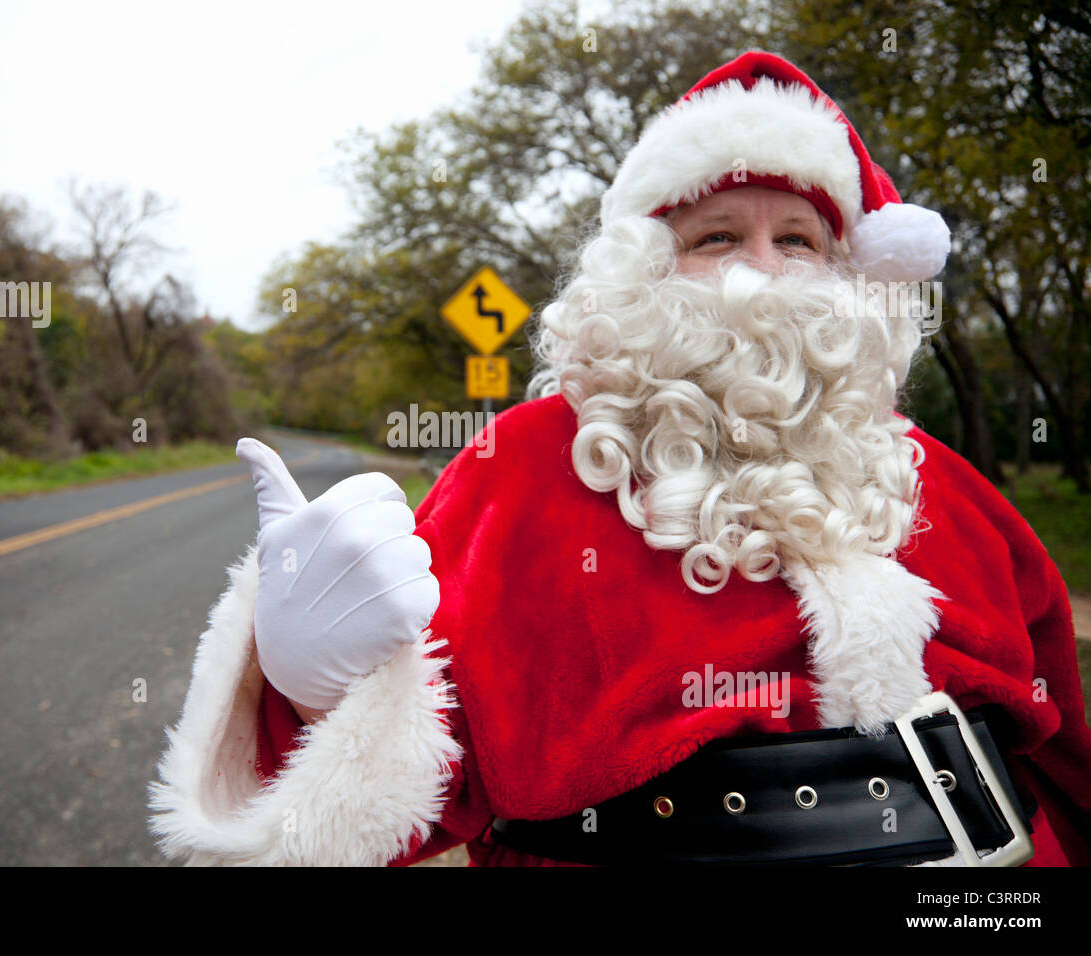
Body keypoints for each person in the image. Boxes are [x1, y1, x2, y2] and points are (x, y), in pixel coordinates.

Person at [148, 51, 1091, 866]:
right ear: (639, 273)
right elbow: (372, 807)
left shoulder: (943, 480)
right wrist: (316, 694)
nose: (758, 270)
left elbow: (1068, 756)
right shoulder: (519, 469)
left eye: (797, 240)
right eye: (715, 237)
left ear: (847, 277)